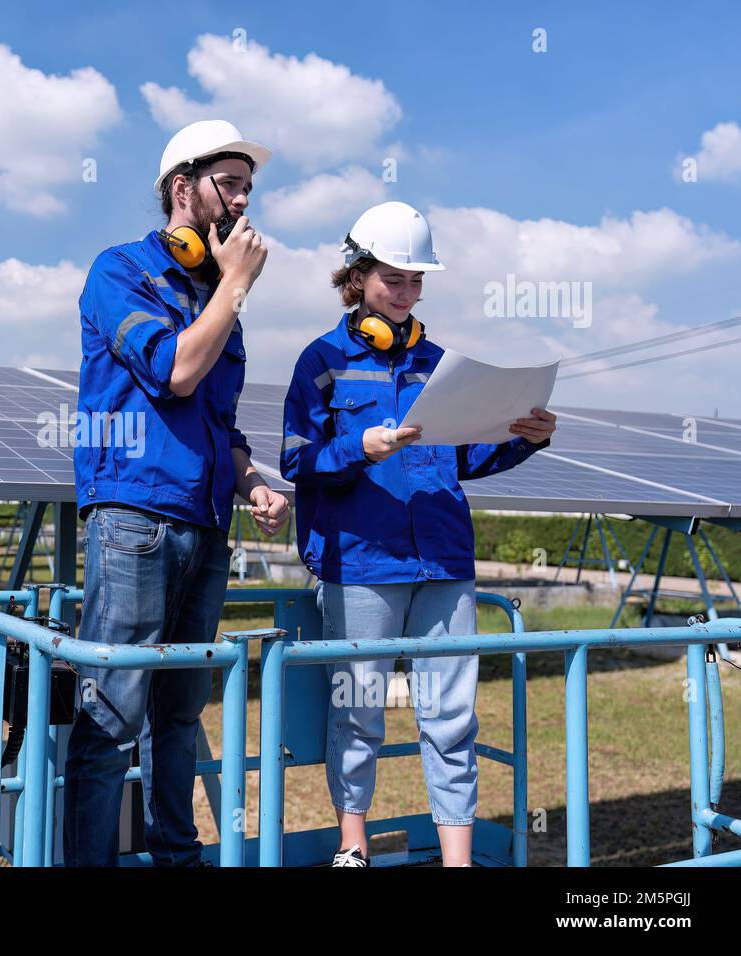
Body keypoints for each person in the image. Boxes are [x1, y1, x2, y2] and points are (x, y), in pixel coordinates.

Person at [279, 200, 556, 867]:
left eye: (415, 281)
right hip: (361, 565)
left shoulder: (442, 364)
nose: (405, 293)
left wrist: (524, 439)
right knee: (358, 712)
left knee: (452, 716)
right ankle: (353, 847)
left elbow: (467, 456)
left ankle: (457, 859)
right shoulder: (320, 361)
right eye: (392, 279)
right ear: (356, 277)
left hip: (443, 563)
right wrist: (359, 448)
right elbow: (294, 460)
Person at [64, 120, 290, 866]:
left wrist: (252, 481)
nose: (243, 202)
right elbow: (175, 372)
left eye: (249, 188)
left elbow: (220, 422)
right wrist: (234, 287)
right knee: (111, 715)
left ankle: (176, 857)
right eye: (231, 185)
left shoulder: (217, 296)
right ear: (182, 188)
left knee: (180, 718)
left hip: (206, 524)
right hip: (135, 517)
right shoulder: (119, 271)